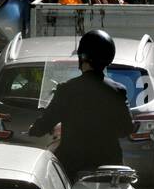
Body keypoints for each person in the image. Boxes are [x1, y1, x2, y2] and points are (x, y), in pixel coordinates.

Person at [27, 29, 134, 179]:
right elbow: (127, 128)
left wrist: (34, 129)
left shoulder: (67, 89)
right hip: (109, 166)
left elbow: (46, 122)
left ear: (82, 57)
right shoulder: (118, 90)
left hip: (73, 167)